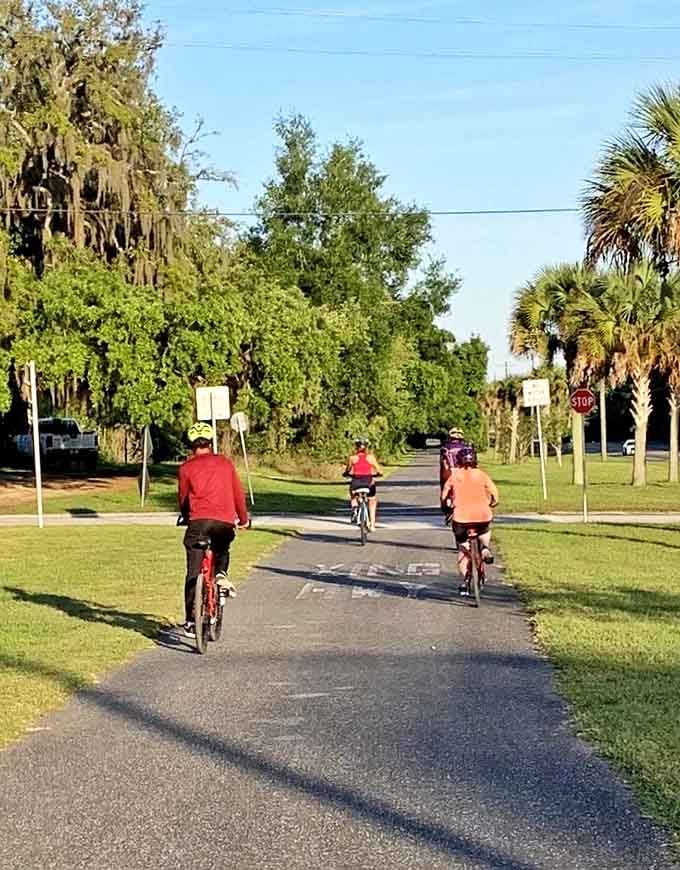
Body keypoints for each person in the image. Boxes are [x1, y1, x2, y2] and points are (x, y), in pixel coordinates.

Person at [177, 422, 249, 637]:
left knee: (193, 571)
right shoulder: (225, 464)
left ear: (191, 445)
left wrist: (186, 516)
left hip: (198, 523)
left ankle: (191, 621)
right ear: (211, 442)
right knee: (222, 548)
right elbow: (237, 494)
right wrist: (243, 519)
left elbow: (183, 498)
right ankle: (220, 574)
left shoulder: (186, 468)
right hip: (224, 522)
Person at [441, 446, 499, 594]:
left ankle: (465, 580)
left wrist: (446, 508)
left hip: (461, 518)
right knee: (484, 531)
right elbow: (494, 492)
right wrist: (494, 502)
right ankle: (484, 548)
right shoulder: (481, 475)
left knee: (462, 549)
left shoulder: (454, 476)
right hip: (482, 516)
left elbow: (444, 494)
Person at [344, 436, 383, 532]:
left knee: (353, 492)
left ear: (356, 447)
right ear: (366, 447)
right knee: (372, 500)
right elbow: (380, 471)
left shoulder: (352, 458)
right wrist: (378, 474)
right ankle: (372, 525)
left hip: (356, 482)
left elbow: (347, 470)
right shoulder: (371, 457)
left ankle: (354, 508)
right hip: (369, 483)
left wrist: (346, 474)